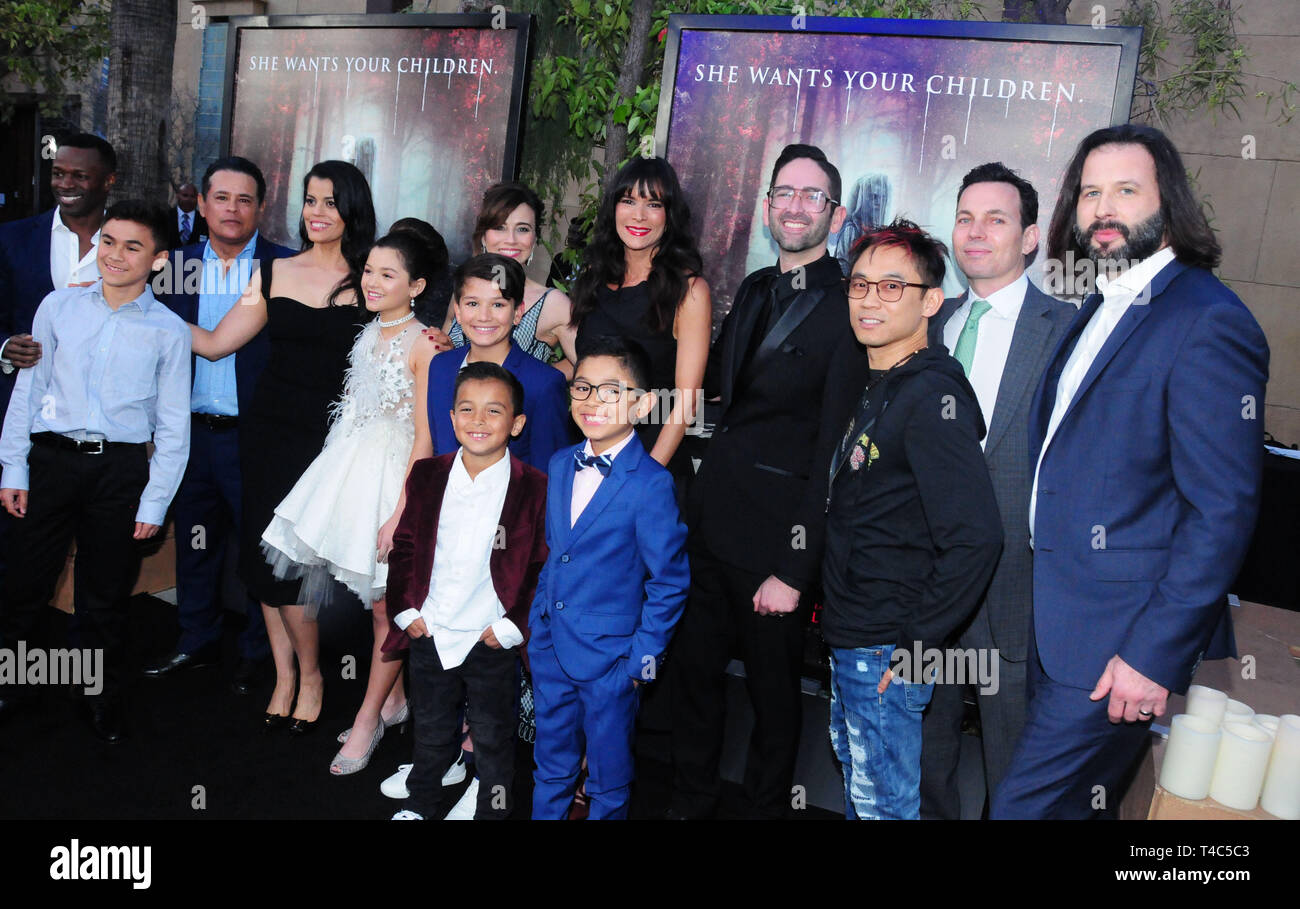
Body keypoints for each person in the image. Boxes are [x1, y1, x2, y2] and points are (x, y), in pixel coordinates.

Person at [992, 125, 1270, 819]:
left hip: (1120, 641)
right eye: (1090, 192)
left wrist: (1151, 654)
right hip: (1059, 622)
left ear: (1167, 202)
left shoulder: (1206, 318)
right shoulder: (1099, 302)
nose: (1103, 208)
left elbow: (1222, 510)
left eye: (1125, 190)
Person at [667, 143, 863, 820]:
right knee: (693, 678)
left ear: (834, 216)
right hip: (710, 525)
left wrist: (793, 566)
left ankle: (763, 811)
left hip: (779, 544)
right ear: (767, 208)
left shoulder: (848, 310)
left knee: (775, 699)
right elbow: (716, 397)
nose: (796, 206)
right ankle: (690, 801)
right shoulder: (751, 288)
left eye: (813, 196)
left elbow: (834, 451)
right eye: (785, 193)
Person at [821, 219, 1002, 819]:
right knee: (865, 798)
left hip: (885, 647)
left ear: (931, 301)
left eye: (892, 287)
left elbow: (977, 538)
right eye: (860, 285)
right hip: (857, 637)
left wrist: (914, 649)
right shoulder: (885, 384)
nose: (870, 299)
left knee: (885, 810)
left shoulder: (931, 397)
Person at [188, 160, 373, 734]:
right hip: (266, 433)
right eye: (310, 200)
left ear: (352, 211)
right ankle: (284, 677)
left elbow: (402, 340)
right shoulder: (273, 272)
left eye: (329, 202)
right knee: (262, 562)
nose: (317, 213)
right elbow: (217, 344)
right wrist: (141, 308)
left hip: (329, 440)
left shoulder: (371, 276)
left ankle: (313, 676)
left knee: (295, 565)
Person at [0, 200, 191, 740]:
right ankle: (12, 682)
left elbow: (175, 428)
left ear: (158, 260)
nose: (115, 254)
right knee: (22, 584)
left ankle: (94, 692)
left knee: (102, 595)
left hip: (120, 473)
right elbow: (28, 392)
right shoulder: (57, 307)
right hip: (50, 463)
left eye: (133, 246)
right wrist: (13, 466)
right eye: (108, 241)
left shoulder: (169, 332)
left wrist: (154, 502)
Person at [919, 162, 1075, 819]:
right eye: (964, 216)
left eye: (996, 218)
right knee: (924, 756)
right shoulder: (931, 324)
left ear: (1031, 237)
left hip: (1016, 589)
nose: (975, 231)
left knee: (1012, 768)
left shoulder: (1068, 330)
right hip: (927, 584)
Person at [258, 231, 441, 773]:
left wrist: (401, 510)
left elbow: (426, 436)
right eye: (369, 272)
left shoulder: (426, 343)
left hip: (393, 480)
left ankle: (368, 722)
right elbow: (351, 409)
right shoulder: (365, 334)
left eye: (389, 274)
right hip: (348, 469)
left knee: (389, 605)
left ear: (418, 285)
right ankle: (392, 700)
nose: (373, 282)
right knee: (373, 604)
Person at [145, 156, 296, 693]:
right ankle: (196, 640)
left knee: (261, 551)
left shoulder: (287, 268)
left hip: (255, 439)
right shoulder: (167, 267)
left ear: (261, 208)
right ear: (202, 204)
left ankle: (261, 652)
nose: (233, 209)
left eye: (245, 199)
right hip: (187, 436)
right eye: (222, 198)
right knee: (195, 543)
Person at [530, 336, 690, 820]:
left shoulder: (651, 483)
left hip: (612, 661)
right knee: (549, 767)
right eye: (582, 388)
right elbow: (556, 554)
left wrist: (640, 664)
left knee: (608, 781)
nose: (591, 401)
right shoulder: (560, 464)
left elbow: (669, 581)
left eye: (609, 391)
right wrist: (537, 625)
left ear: (641, 405)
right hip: (550, 647)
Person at [382, 362, 549, 819]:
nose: (478, 421)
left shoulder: (533, 487)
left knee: (494, 735)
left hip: (489, 636)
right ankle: (421, 804)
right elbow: (405, 546)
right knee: (431, 728)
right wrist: (404, 610)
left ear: (516, 423)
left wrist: (512, 627)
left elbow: (538, 563)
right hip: (430, 628)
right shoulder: (428, 475)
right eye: (467, 410)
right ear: (451, 418)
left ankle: (491, 807)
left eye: (494, 411)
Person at [570, 157, 710, 481]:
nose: (639, 215)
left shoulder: (688, 292)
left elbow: (687, 400)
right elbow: (585, 360)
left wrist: (645, 477)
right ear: (614, 208)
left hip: (651, 455)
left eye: (654, 204)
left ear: (669, 216)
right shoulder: (596, 275)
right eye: (628, 200)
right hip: (590, 449)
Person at [0, 133, 118, 422]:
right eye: (58, 173)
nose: (65, 184)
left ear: (108, 181)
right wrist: (4, 346)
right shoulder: (11, 239)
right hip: (23, 414)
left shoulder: (132, 247)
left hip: (104, 419)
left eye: (79, 175)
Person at [424, 254, 570, 470]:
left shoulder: (543, 383)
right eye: (472, 303)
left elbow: (549, 472)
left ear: (517, 312)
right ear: (458, 311)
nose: (484, 316)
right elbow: (438, 450)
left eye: (498, 305)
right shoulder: (441, 367)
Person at [442, 183, 578, 370]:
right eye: (500, 227)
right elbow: (443, 352)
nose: (511, 240)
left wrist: (544, 379)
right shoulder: (467, 288)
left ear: (535, 237)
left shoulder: (552, 303)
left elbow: (589, 367)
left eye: (522, 229)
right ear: (483, 236)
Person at [166, 181, 207, 249]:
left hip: (195, 259)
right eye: (185, 195)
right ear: (177, 196)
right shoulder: (165, 217)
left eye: (192, 196)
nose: (188, 199)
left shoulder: (204, 221)